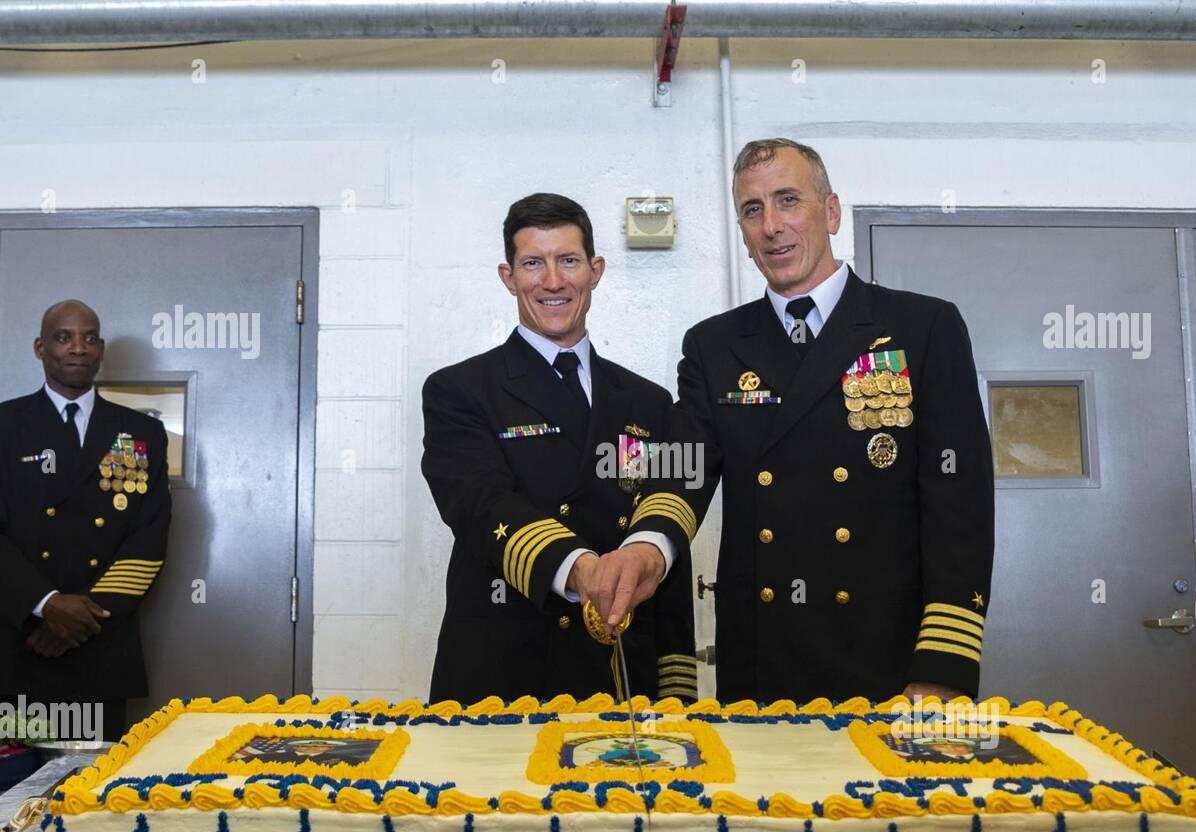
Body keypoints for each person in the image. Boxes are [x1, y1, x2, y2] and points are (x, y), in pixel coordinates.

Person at [589, 139, 994, 704]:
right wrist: (647, 546)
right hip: (763, 659)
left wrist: (944, 667)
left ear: (830, 212)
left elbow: (960, 507)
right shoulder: (716, 345)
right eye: (753, 210)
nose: (772, 226)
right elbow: (684, 465)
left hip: (892, 660)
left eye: (788, 201)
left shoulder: (922, 328)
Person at [420, 193, 697, 704]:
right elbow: (482, 505)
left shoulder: (649, 402)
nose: (552, 281)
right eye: (533, 263)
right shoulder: (458, 391)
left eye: (568, 260)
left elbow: (668, 534)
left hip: (620, 673)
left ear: (595, 271)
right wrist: (583, 570)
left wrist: (675, 683)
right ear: (509, 277)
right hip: (503, 671)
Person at [0, 299, 172, 740]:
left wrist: (79, 622)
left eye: (90, 338)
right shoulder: (5, 425)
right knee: (14, 797)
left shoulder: (140, 434)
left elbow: (147, 539)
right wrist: (45, 606)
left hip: (99, 650)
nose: (78, 347)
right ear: (40, 348)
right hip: (22, 643)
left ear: (101, 349)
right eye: (64, 337)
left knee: (90, 798)